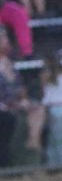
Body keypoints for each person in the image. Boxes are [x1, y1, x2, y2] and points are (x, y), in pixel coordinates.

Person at [0, 27, 44, 166]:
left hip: (15, 103)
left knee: (38, 108)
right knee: (11, 118)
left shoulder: (9, 63)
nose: (5, 41)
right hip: (4, 106)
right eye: (2, 38)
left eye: (5, 38)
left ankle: (33, 142)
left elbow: (20, 87)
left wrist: (23, 100)